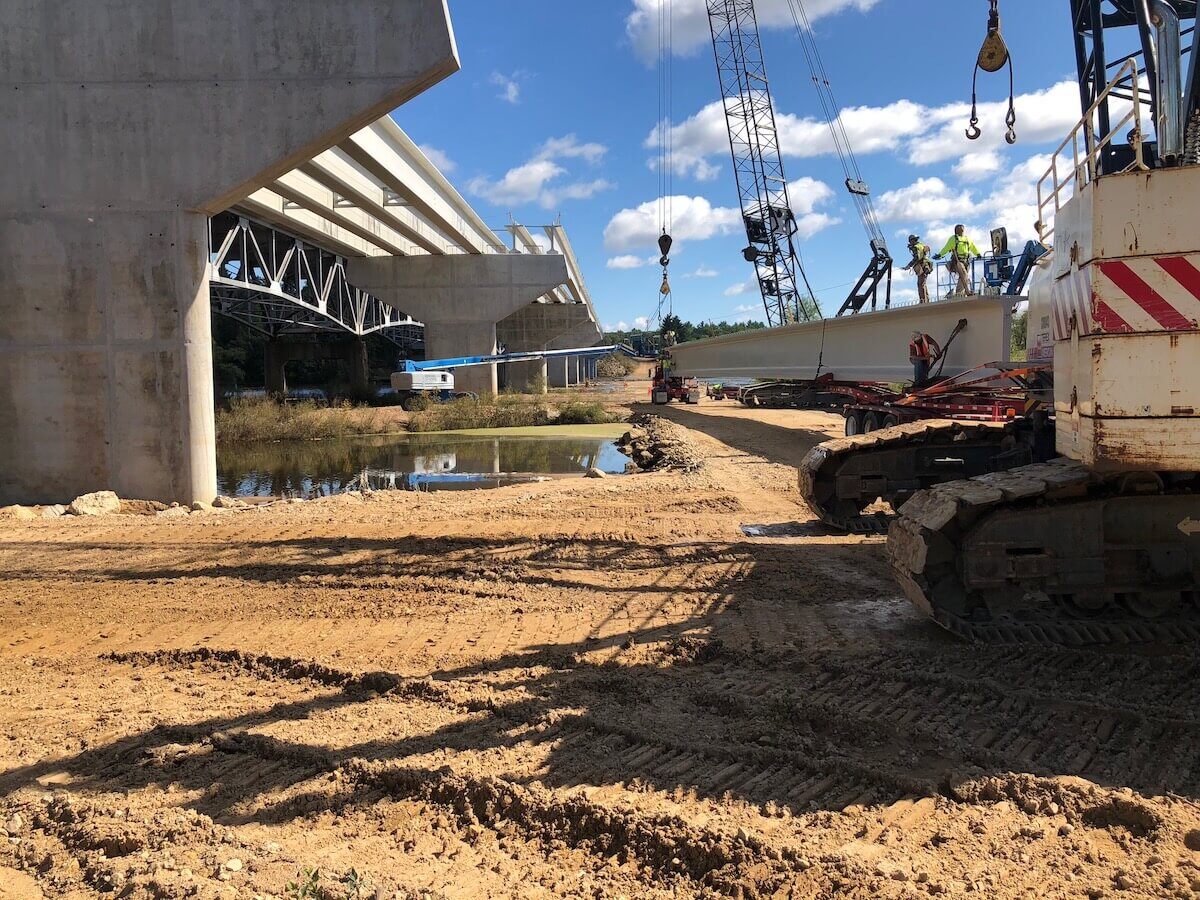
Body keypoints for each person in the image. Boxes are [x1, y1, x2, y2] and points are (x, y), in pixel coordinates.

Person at [934, 224, 982, 296]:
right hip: (957, 261)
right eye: (959, 228)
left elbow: (973, 247)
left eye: (962, 228)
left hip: (967, 261)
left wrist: (978, 254)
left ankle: (959, 293)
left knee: (963, 277)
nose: (961, 229)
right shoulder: (953, 239)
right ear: (956, 230)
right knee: (964, 274)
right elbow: (946, 248)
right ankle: (965, 292)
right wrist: (940, 255)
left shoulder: (967, 239)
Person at [903, 234, 933, 302]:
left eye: (910, 241)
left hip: (922, 266)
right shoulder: (921, 245)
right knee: (923, 283)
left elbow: (916, 258)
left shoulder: (916, 247)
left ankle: (923, 301)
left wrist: (908, 266)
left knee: (920, 284)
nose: (910, 243)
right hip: (926, 265)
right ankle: (926, 300)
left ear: (912, 240)